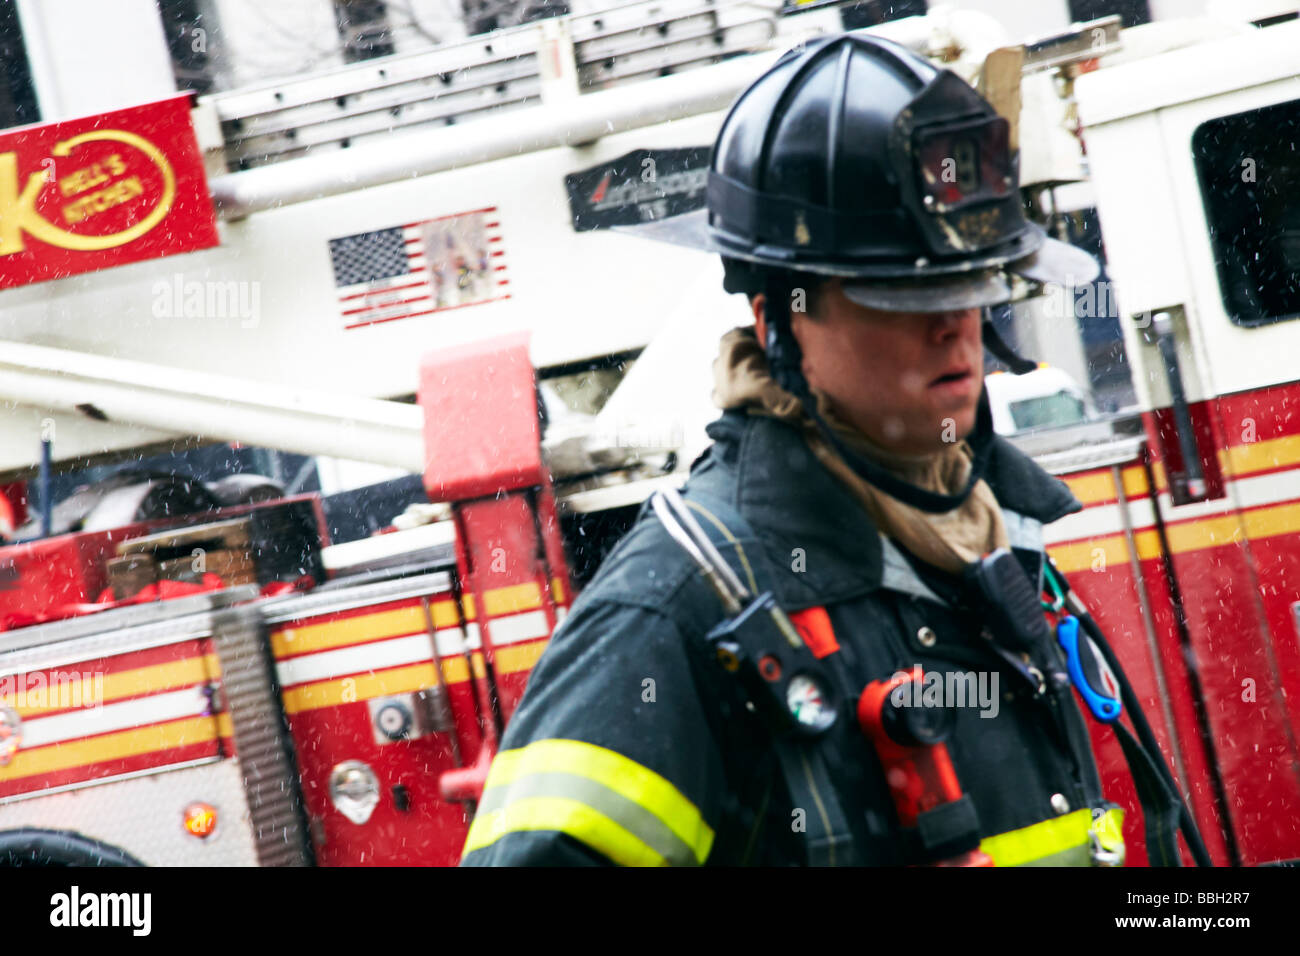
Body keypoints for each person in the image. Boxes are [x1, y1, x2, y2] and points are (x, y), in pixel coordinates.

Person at [459, 32, 1132, 867]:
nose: (954, 324)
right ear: (779, 318)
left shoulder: (996, 546)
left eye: (974, 283)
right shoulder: (674, 615)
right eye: (906, 287)